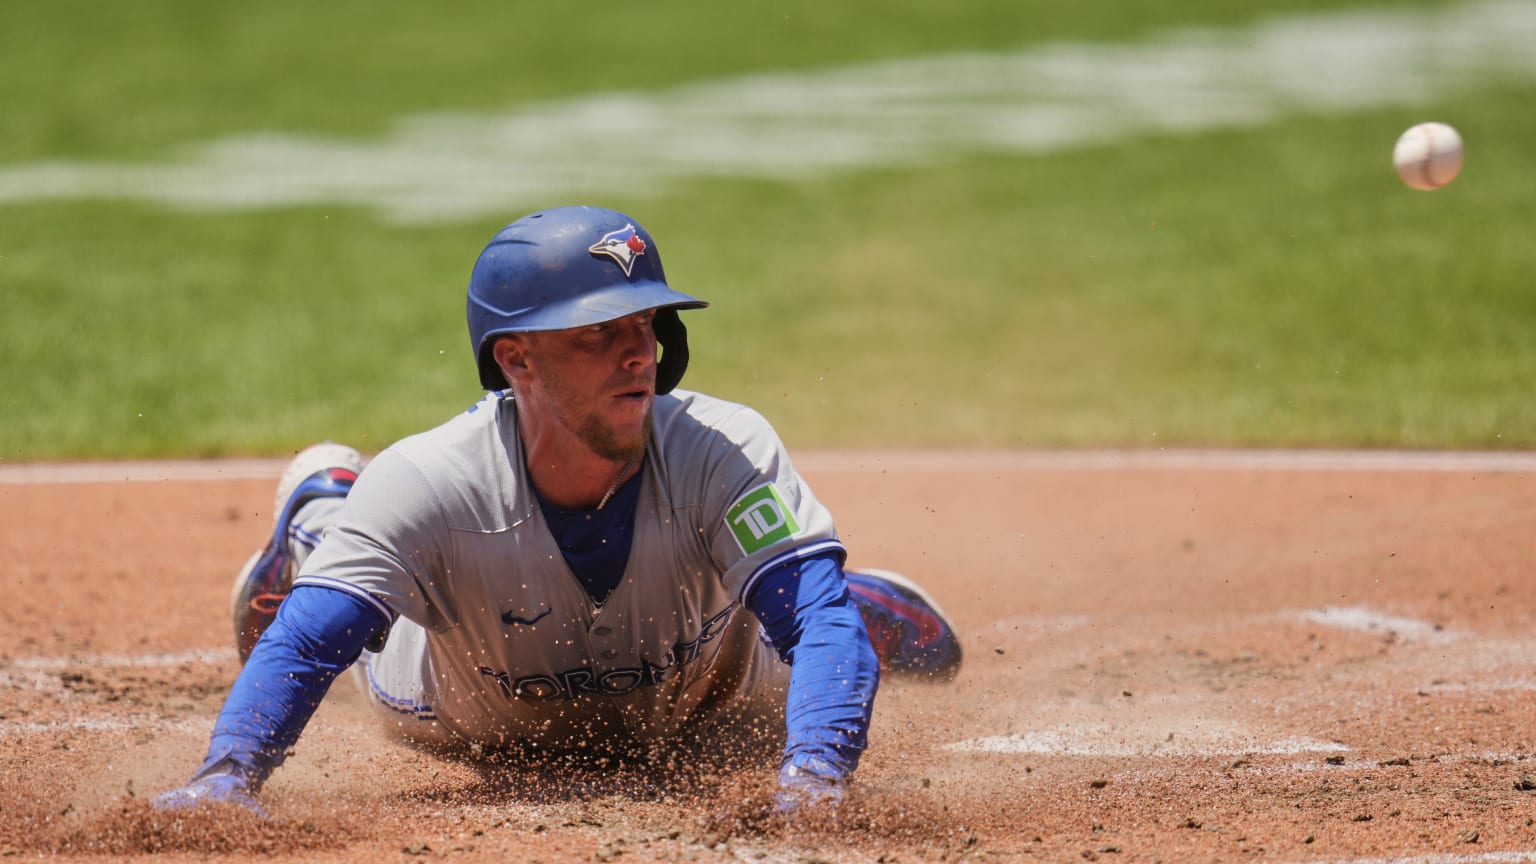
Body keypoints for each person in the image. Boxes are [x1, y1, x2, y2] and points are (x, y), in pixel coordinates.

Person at [154, 205, 963, 816]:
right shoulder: (432, 480)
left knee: (826, 626)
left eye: (645, 323)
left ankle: (850, 591)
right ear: (517, 359)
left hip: (712, 695)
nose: (638, 351)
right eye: (597, 333)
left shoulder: (723, 446)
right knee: (361, 623)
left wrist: (815, 781)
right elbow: (307, 641)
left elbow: (818, 630)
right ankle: (320, 515)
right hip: (468, 718)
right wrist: (225, 781)